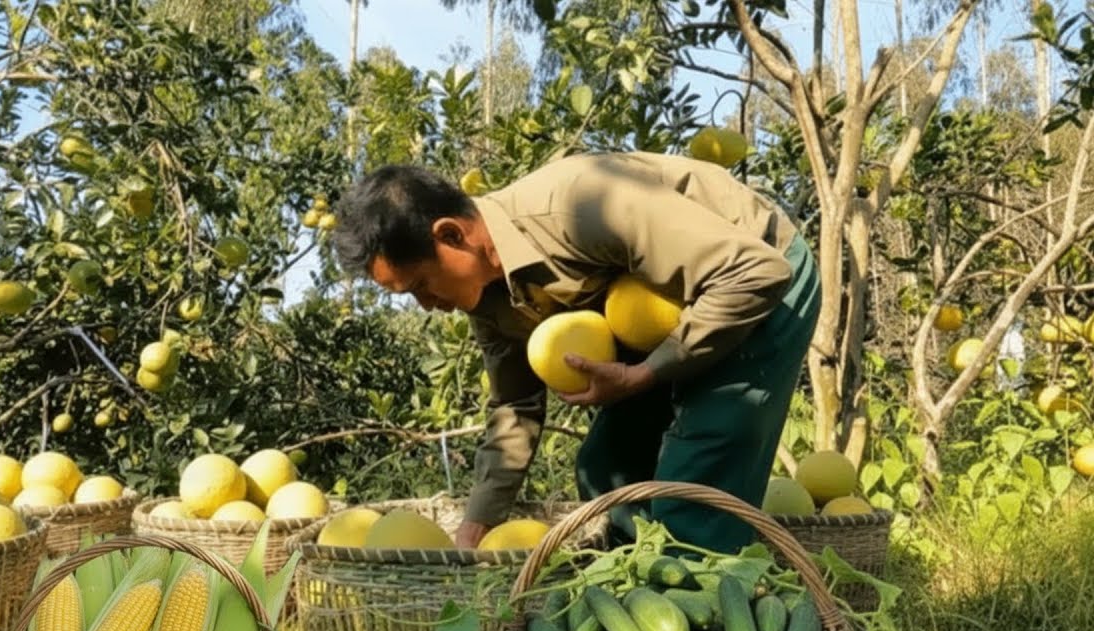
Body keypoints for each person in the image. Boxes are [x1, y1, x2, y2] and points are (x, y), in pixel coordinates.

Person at [331, 151, 821, 554]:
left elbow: (755, 273)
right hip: (667, 316)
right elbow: (515, 405)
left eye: (421, 285)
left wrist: (648, 374)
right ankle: (639, 588)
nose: (428, 306)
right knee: (605, 467)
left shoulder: (578, 204)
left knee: (697, 478)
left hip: (756, 277)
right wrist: (477, 523)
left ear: (451, 235)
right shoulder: (487, 296)